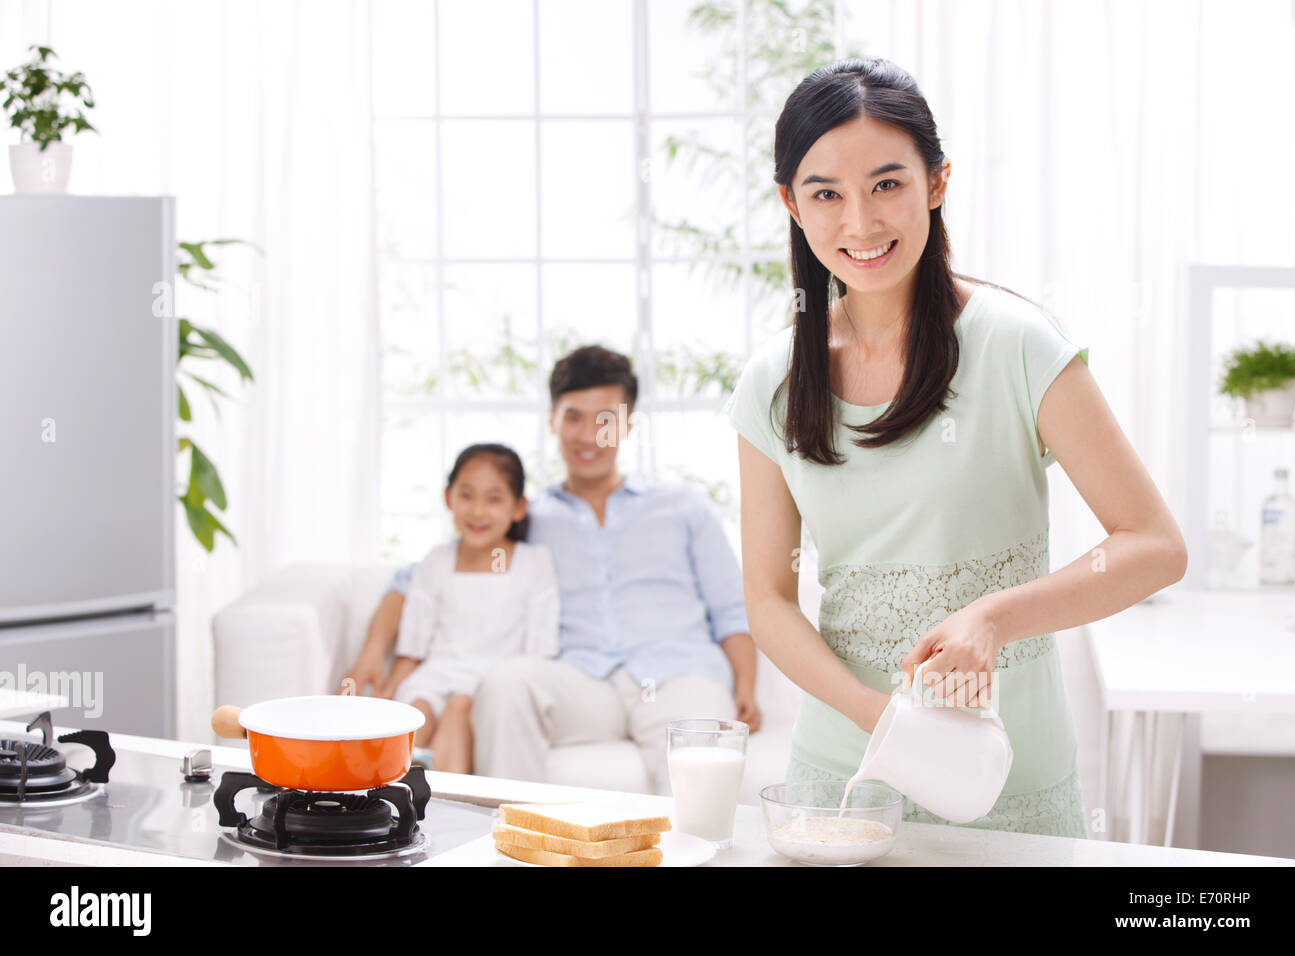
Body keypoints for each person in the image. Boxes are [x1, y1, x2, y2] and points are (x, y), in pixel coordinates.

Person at [724, 58, 1186, 837]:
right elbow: (769, 599)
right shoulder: (771, 381)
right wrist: (884, 724)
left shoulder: (1019, 347)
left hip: (1009, 773)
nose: (861, 224)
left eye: (887, 184)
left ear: (936, 183)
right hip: (844, 776)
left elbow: (1154, 546)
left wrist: (995, 618)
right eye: (826, 194)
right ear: (791, 206)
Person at [345, 346, 762, 795]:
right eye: (573, 417)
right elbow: (413, 579)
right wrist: (372, 651)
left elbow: (732, 610)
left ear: (628, 425)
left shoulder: (682, 507)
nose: (588, 435)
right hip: (579, 682)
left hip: (677, 675)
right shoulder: (527, 516)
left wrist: (745, 685)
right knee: (506, 682)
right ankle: (514, 847)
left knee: (702, 767)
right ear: (552, 421)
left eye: (605, 419)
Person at [348, 443, 558, 774]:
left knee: (458, 709)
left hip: (491, 681)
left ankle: (446, 810)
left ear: (518, 507)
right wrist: (388, 695)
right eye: (467, 495)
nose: (477, 511)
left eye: (494, 499)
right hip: (435, 676)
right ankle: (389, 800)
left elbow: (539, 652)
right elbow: (413, 648)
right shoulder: (435, 562)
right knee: (416, 710)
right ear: (448, 498)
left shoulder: (534, 563)